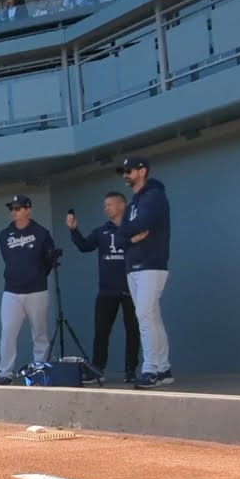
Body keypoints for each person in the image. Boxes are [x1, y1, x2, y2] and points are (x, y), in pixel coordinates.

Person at [67, 192, 140, 382]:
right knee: (101, 331)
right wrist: (74, 230)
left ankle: (131, 370)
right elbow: (85, 246)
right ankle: (97, 370)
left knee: (133, 330)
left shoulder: (134, 228)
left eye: (110, 204)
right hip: (107, 290)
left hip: (132, 289)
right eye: (105, 205)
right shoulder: (102, 231)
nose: (106, 208)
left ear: (122, 205)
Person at [114, 156, 173, 389]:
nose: (125, 174)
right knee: (151, 317)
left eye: (130, 170)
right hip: (133, 265)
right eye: (124, 171)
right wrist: (130, 238)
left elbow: (143, 224)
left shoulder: (155, 196)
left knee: (145, 315)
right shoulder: (133, 203)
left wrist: (128, 234)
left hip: (152, 263)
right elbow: (121, 235)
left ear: (143, 171)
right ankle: (163, 368)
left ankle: (150, 369)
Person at [0, 194, 56, 385]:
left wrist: (35, 276)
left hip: (37, 289)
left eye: (18, 208)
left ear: (28, 210)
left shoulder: (42, 233)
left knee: (39, 332)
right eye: (12, 208)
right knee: (8, 332)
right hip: (12, 290)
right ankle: (5, 373)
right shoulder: (5, 234)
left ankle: (39, 371)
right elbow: (8, 259)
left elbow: (48, 262)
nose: (14, 212)